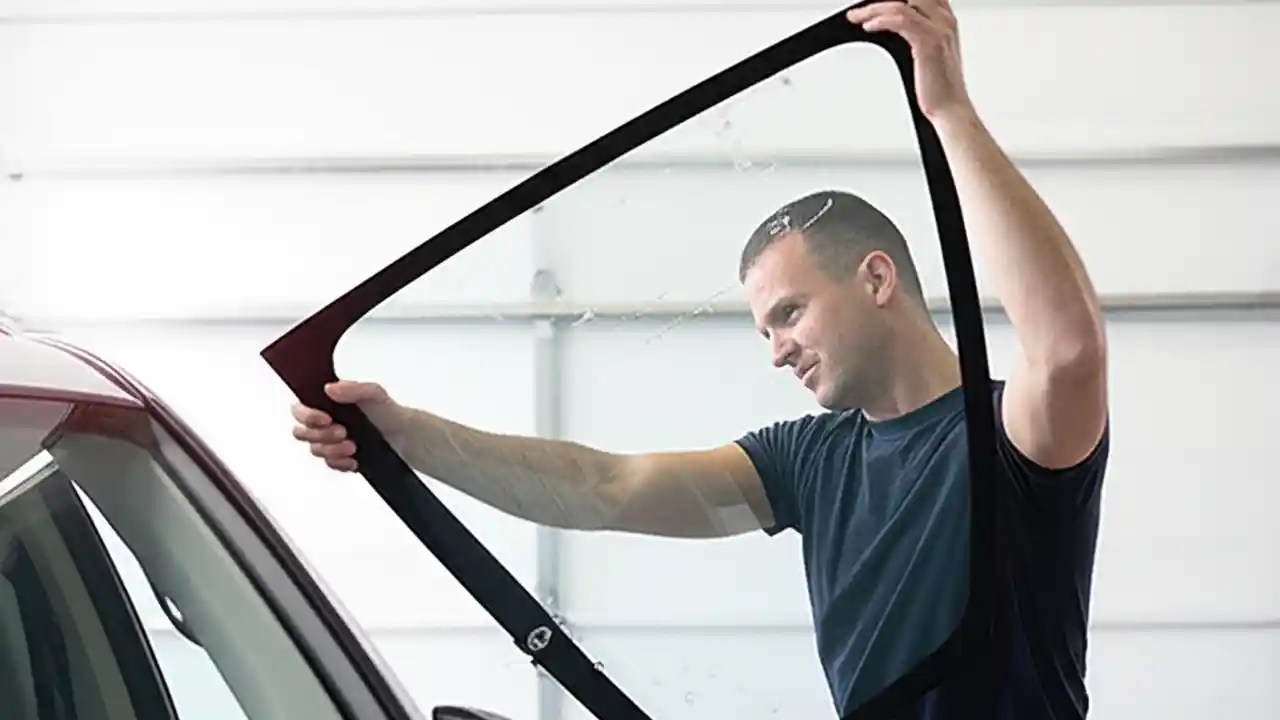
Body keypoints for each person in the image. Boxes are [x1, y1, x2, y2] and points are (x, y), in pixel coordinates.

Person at [290, 1, 1110, 718]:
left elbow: (1070, 348)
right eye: (764, 331)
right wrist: (409, 438)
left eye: (789, 313)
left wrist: (951, 113)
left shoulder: (1013, 436)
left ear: (876, 278)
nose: (778, 350)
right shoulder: (807, 461)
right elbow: (603, 490)